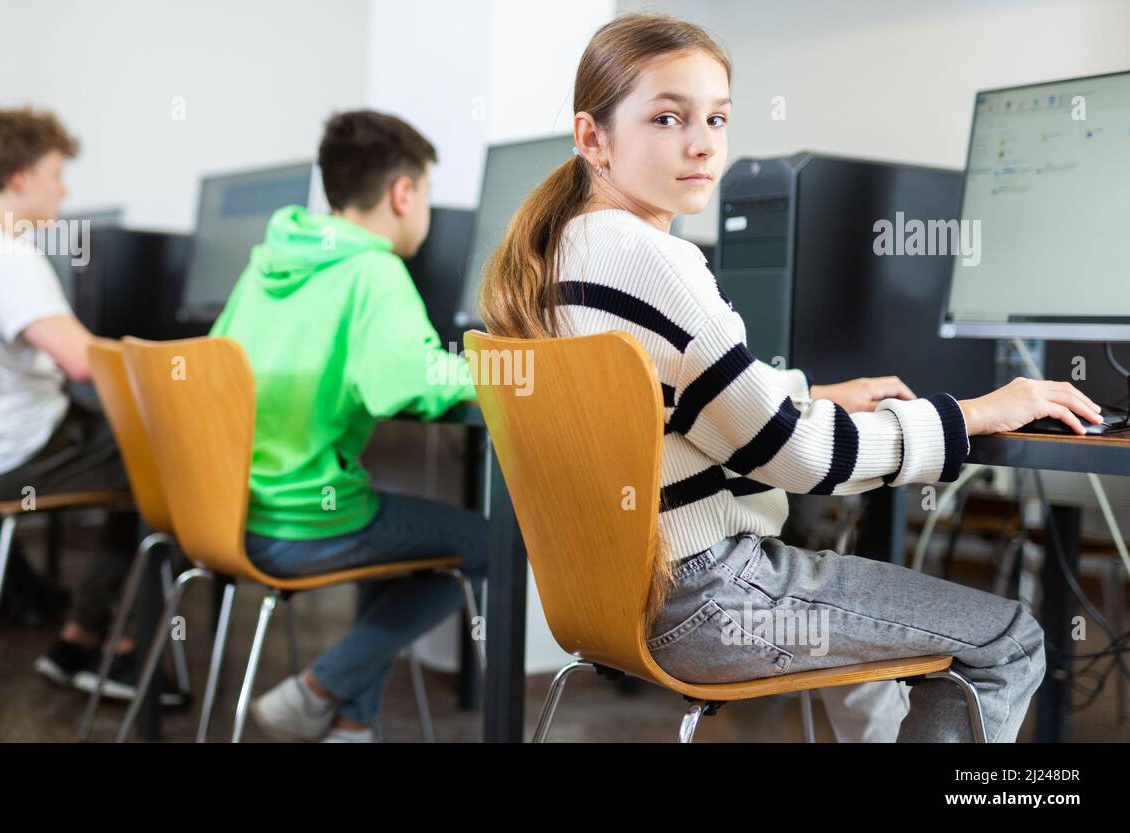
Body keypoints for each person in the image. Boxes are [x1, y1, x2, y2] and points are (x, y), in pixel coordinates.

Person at [476, 13, 1090, 742]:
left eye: (717, 118)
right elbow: (799, 459)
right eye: (668, 118)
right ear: (593, 138)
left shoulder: (563, 254)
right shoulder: (654, 260)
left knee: (871, 648)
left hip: (619, 603)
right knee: (1008, 638)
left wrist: (807, 395)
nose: (702, 143)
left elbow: (663, 406)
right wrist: (976, 412)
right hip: (712, 601)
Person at [212, 110, 486, 743]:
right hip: (301, 518)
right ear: (403, 193)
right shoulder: (374, 269)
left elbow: (212, 369)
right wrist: (504, 372)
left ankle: (350, 727)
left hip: (231, 511)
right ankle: (321, 686)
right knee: (487, 543)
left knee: (393, 543)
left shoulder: (265, 264)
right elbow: (405, 385)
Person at [0, 106, 181, 705]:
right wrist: (175, 365)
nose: (64, 188)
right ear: (21, 179)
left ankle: (79, 637)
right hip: (21, 454)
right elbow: (82, 361)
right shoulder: (8, 259)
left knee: (128, 443)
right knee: (166, 458)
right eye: (56, 172)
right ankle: (123, 655)